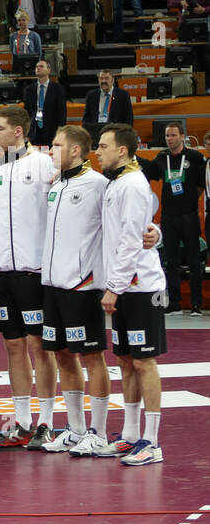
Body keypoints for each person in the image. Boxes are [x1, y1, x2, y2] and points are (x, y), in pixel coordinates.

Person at [34, 125, 114, 456]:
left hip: (83, 287)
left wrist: (155, 233)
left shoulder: (99, 185)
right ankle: (76, 429)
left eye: (56, 146)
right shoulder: (55, 184)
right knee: (63, 356)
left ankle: (99, 432)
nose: (51, 151)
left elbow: (125, 223)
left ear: (76, 150)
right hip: (53, 285)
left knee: (92, 357)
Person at [0, 105, 58, 448]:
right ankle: (23, 421)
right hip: (2, 273)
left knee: (39, 345)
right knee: (13, 345)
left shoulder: (46, 164)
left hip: (35, 271)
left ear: (18, 131)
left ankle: (46, 421)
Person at [97, 123, 167, 466]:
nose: (98, 151)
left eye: (103, 146)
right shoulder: (117, 184)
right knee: (125, 361)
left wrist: (113, 287)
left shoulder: (134, 185)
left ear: (122, 150)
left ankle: (152, 442)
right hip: (124, 286)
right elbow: (142, 231)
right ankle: (128, 436)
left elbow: (131, 241)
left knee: (143, 361)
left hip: (140, 288)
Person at [144, 121, 207, 315]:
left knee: (194, 261)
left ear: (182, 136)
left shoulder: (195, 157)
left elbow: (200, 185)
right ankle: (174, 303)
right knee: (170, 262)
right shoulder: (162, 157)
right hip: (169, 217)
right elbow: (152, 172)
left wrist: (188, 202)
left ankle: (196, 304)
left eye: (173, 135)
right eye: (167, 136)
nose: (169, 139)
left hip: (189, 216)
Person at [23, 60, 66, 147]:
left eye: (41, 66)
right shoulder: (29, 90)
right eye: (36, 67)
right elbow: (27, 112)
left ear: (49, 70)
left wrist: (60, 132)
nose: (38, 68)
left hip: (52, 130)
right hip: (34, 130)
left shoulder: (58, 89)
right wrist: (27, 131)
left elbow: (62, 112)